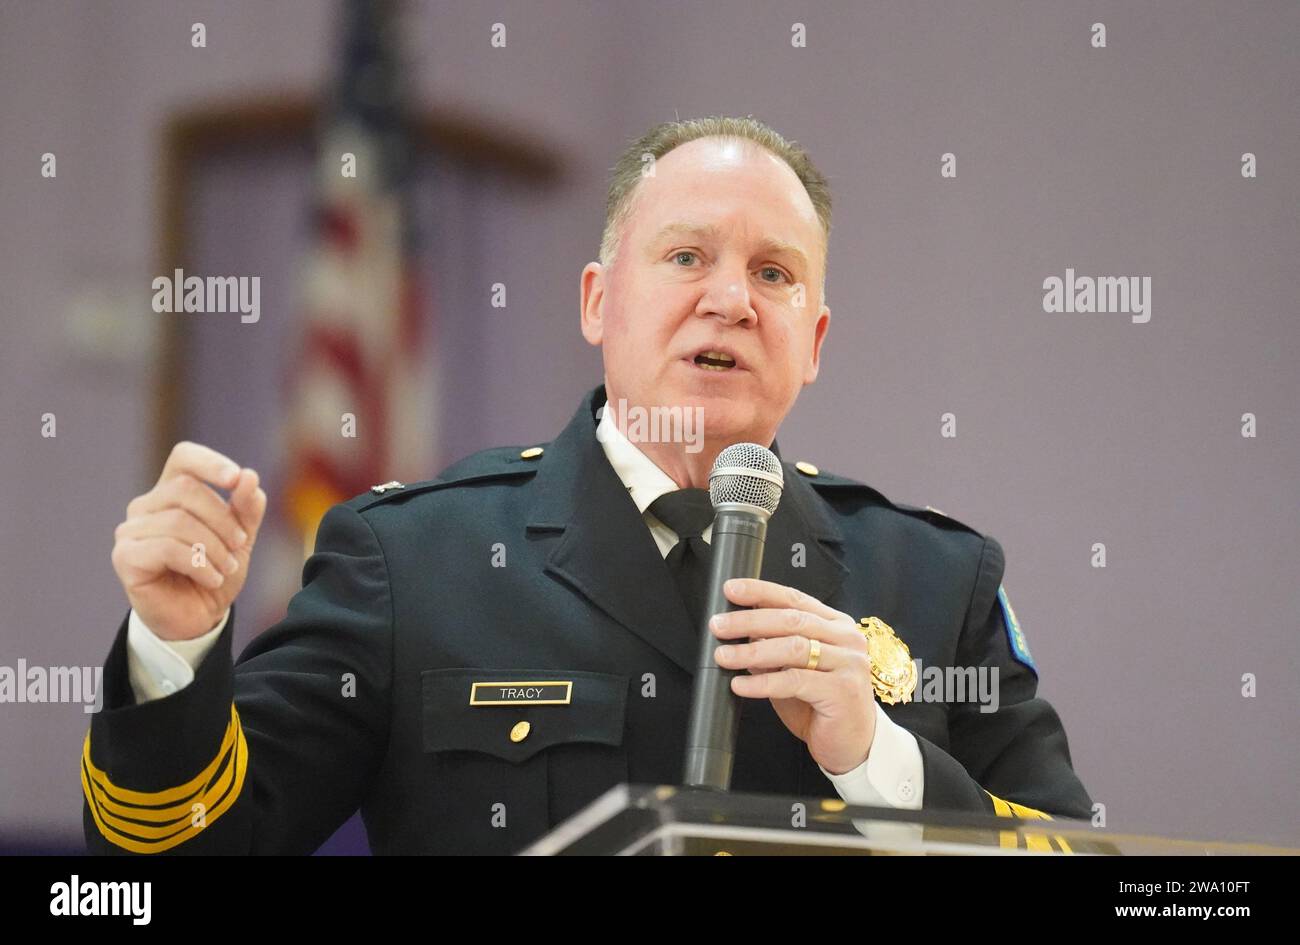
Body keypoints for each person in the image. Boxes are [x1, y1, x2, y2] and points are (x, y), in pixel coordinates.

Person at [85, 116, 1092, 855]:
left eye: (776, 274)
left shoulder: (932, 576)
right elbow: (170, 863)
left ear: (814, 342)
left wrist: (875, 758)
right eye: (687, 256)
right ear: (598, 303)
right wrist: (173, 650)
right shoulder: (414, 562)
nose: (731, 300)